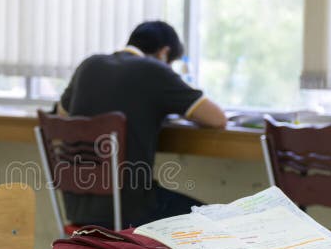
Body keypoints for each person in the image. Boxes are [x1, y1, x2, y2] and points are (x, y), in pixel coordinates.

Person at [58, 20, 226, 228]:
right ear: (164, 53)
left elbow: (62, 113)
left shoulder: (89, 65)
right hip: (132, 209)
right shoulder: (154, 70)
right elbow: (217, 119)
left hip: (77, 206)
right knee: (213, 222)